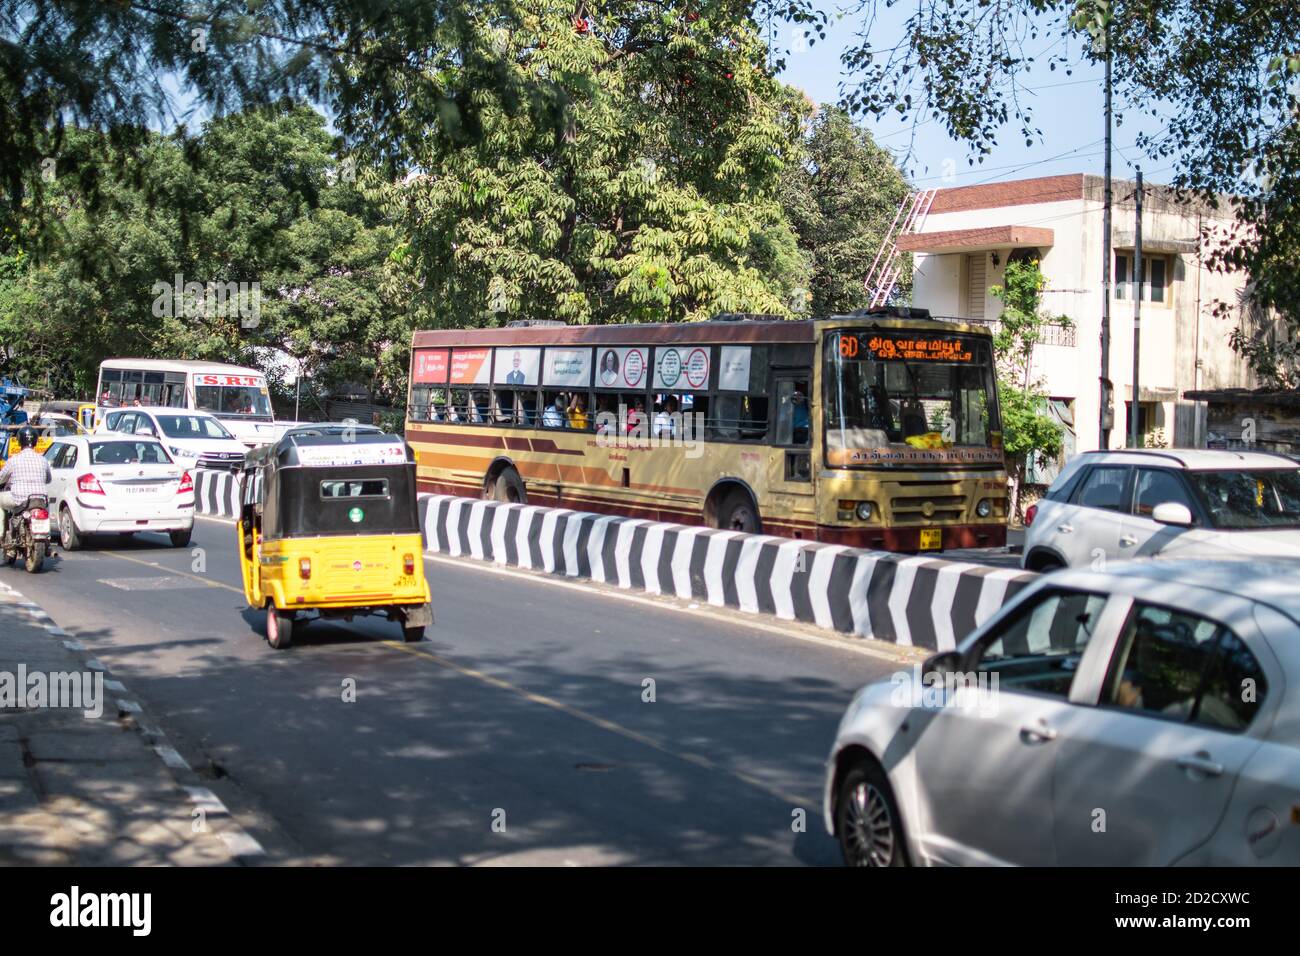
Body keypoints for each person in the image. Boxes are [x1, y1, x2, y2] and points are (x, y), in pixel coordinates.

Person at [0, 426, 51, 539]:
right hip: (40, 499)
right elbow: (48, 479)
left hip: (19, 499)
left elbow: (1, 478)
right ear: (35, 441)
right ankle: (48, 537)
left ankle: (1, 534)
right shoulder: (43, 460)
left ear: (19, 441)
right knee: (47, 508)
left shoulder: (13, 460)